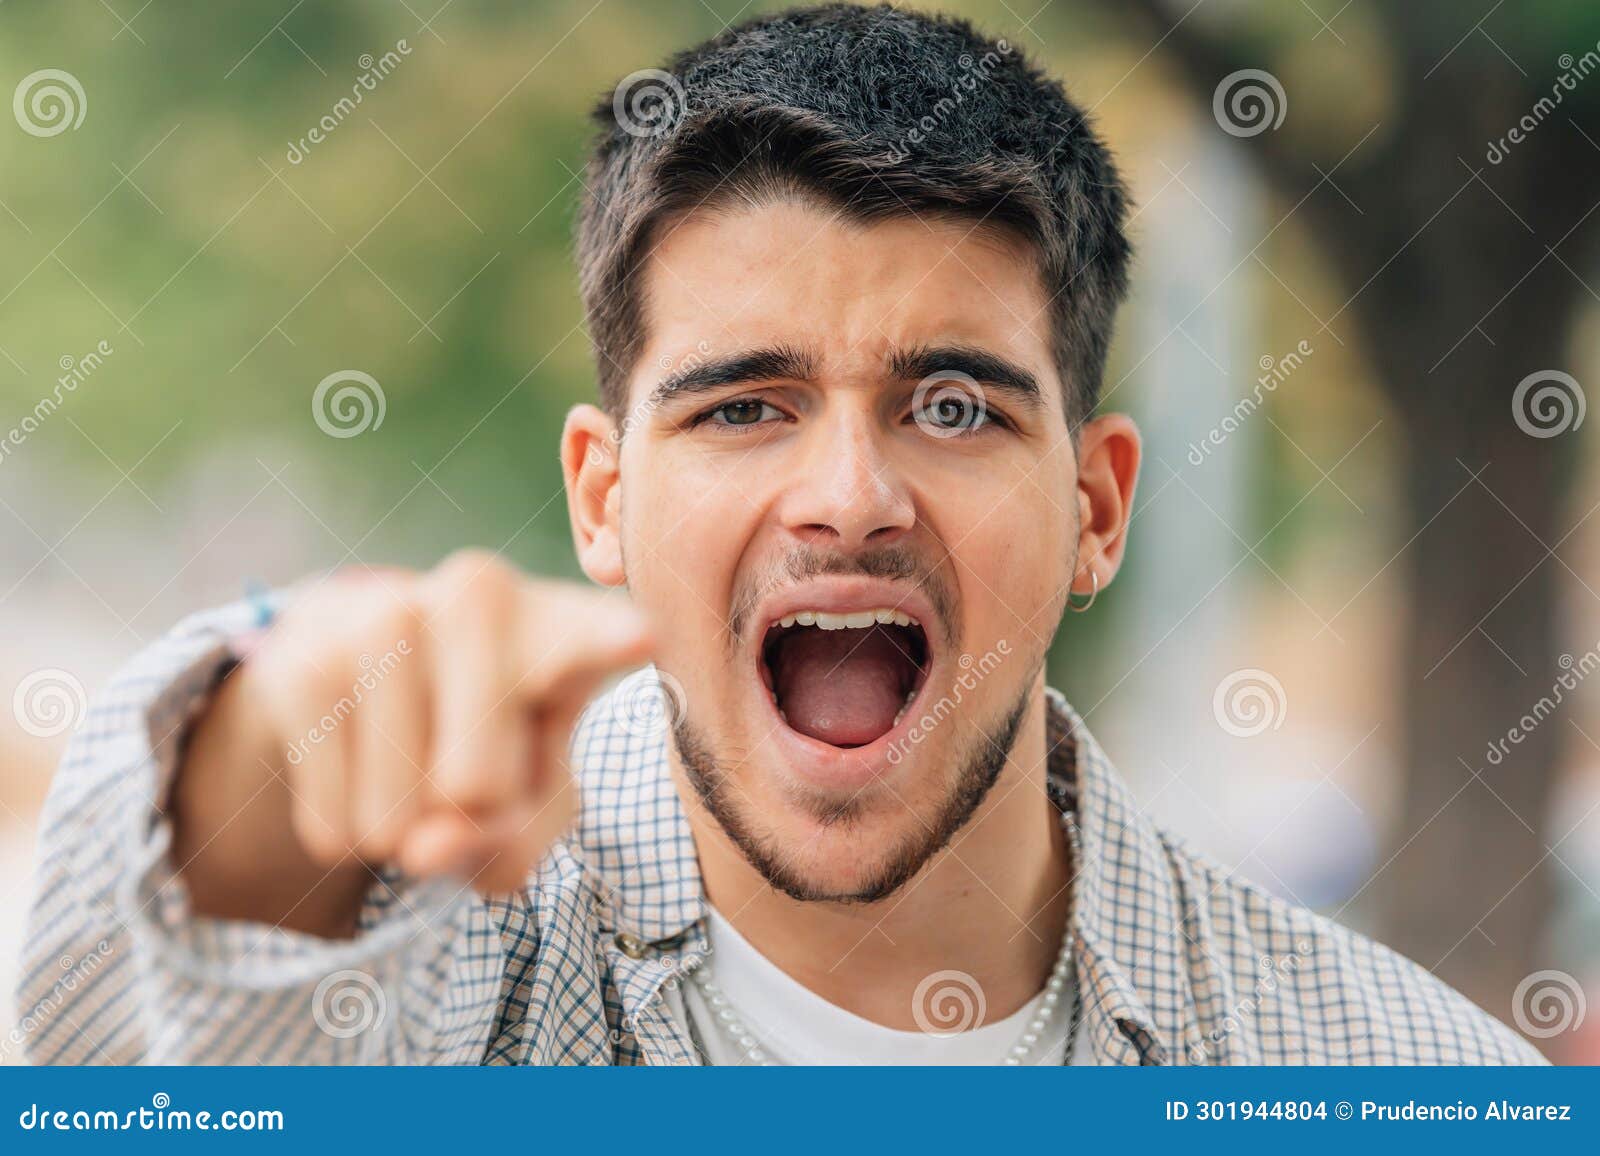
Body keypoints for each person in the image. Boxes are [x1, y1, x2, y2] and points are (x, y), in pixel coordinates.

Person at [17, 1, 1539, 1066]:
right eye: (745, 406)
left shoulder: (1406, 1080)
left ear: (1096, 508)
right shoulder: (423, 980)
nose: (848, 496)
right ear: (604, 499)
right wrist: (286, 737)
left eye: (953, 407)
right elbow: (152, 1011)